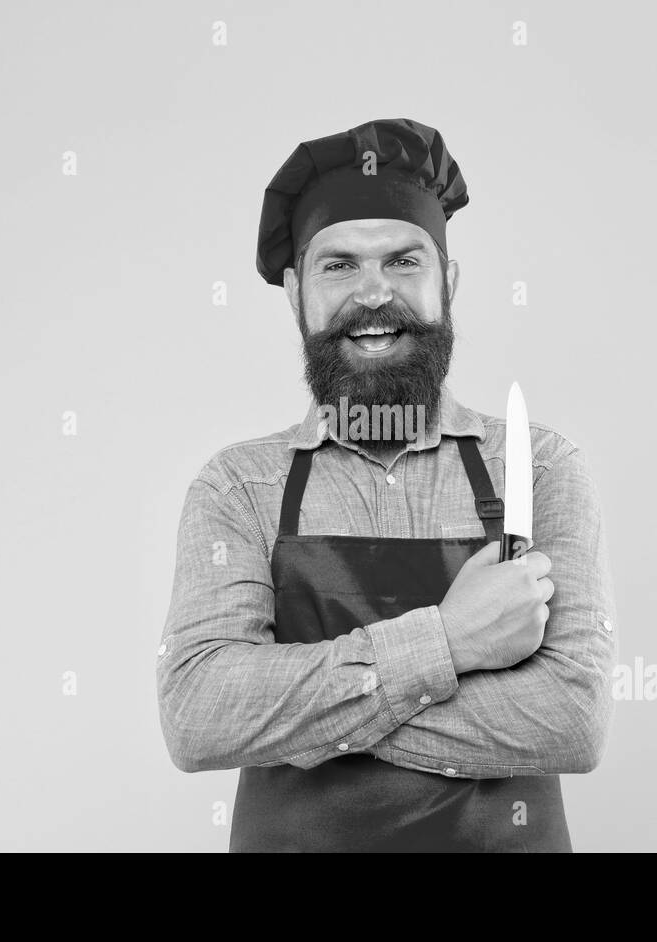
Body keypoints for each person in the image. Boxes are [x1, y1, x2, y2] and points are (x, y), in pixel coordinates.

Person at [156, 118, 618, 852]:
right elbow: (201, 714)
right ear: (293, 293)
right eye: (338, 266)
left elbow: (570, 720)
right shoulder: (238, 487)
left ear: (449, 284)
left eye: (404, 261)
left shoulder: (536, 467)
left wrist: (307, 717)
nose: (374, 294)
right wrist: (451, 640)